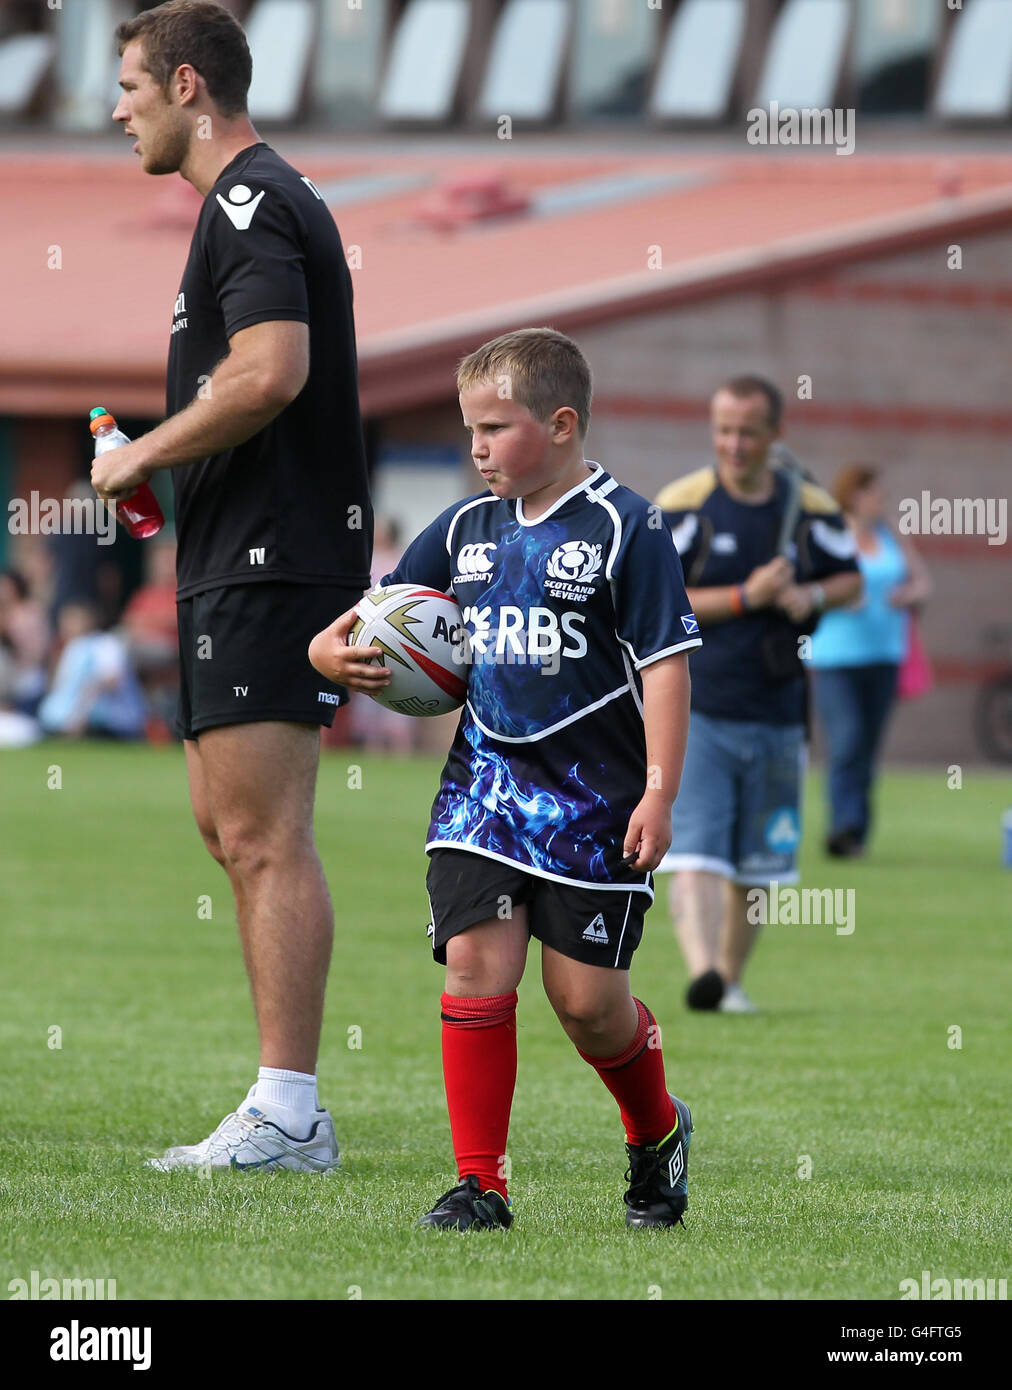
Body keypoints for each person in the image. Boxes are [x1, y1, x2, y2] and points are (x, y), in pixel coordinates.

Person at [311, 328, 701, 1230]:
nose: (476, 448)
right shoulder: (461, 530)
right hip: (480, 792)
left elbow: (669, 668)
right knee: (476, 968)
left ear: (562, 424)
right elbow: (376, 618)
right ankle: (481, 1184)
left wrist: (659, 791)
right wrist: (325, 649)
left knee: (588, 1007)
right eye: (468, 429)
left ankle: (658, 1130)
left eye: (495, 427)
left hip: (597, 802)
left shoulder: (626, 527)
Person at [93, 0, 372, 1171]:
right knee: (227, 826)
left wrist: (146, 452)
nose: (118, 113)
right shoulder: (227, 214)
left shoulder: (255, 200)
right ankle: (282, 1103)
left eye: (132, 90)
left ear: (190, 85)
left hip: (276, 557)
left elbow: (272, 372)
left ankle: (290, 1110)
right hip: (232, 556)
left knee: (265, 833)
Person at [655, 377, 861, 1014]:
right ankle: (702, 975)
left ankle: (731, 978)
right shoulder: (684, 505)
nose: (733, 444)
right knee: (695, 848)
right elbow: (660, 598)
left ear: (775, 435)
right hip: (698, 706)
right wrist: (749, 596)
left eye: (747, 431)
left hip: (778, 711)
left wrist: (813, 596)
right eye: (723, 429)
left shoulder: (812, 506)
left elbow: (850, 578)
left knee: (760, 861)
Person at [810, 464, 932, 857]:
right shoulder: (833, 535)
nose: (881, 498)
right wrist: (843, 594)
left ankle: (857, 830)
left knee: (867, 745)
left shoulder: (891, 535)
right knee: (846, 740)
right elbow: (810, 585)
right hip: (836, 657)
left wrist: (909, 595)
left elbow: (923, 584)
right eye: (874, 491)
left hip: (884, 654)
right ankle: (842, 825)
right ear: (855, 494)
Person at [38, 602, 146, 740]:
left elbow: (110, 681)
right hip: (67, 718)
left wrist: (81, 714)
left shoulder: (105, 643)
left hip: (108, 720)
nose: (66, 626)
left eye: (72, 620)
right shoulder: (73, 646)